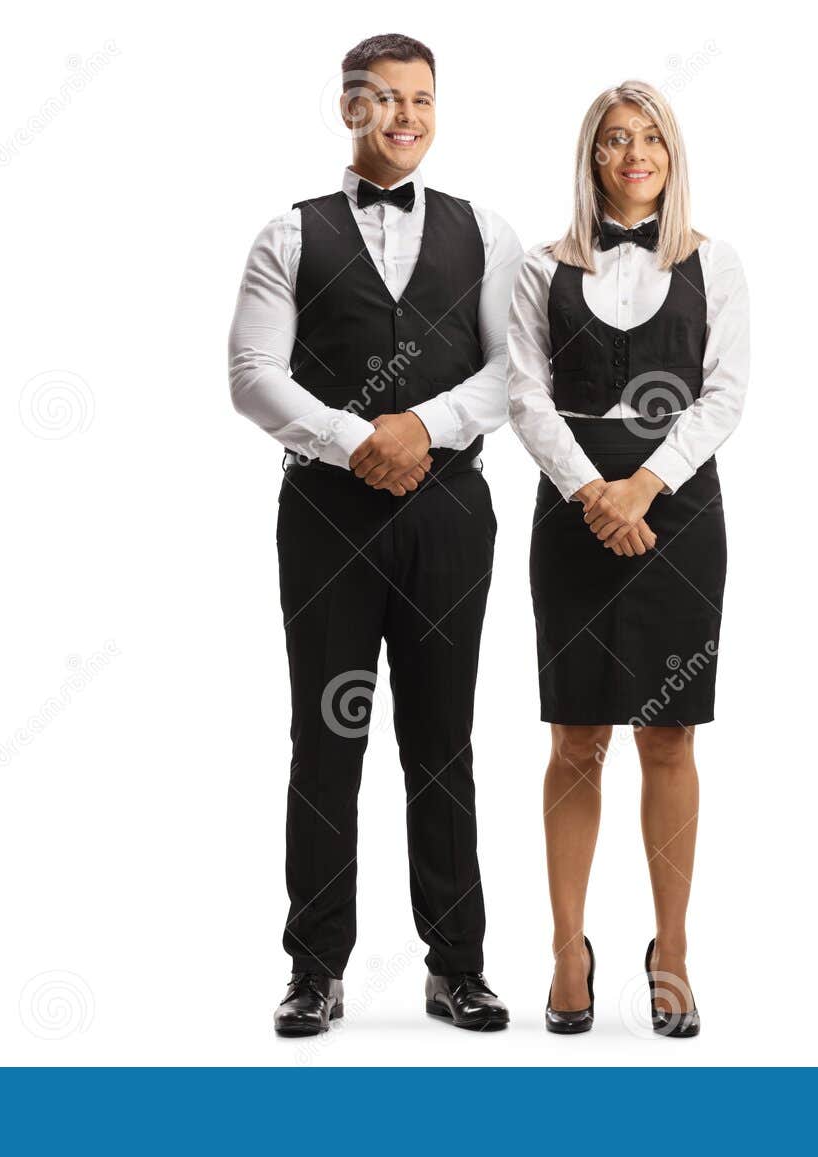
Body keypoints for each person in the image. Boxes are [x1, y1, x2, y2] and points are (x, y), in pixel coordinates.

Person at [228, 33, 522, 1035]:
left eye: (422, 99)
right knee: (327, 735)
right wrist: (360, 441)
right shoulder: (289, 234)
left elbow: (514, 370)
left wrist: (421, 428)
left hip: (450, 516)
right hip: (326, 517)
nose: (406, 115)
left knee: (442, 737)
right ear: (349, 107)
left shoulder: (486, 232)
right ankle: (314, 968)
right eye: (387, 98)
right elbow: (252, 375)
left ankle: (458, 966)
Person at [506, 79, 749, 1037]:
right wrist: (592, 492)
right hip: (574, 508)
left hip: (679, 507)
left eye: (650, 137)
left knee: (670, 734)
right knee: (576, 734)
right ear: (591, 157)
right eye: (614, 138)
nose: (634, 153)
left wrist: (644, 486)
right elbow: (525, 396)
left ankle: (672, 950)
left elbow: (725, 395)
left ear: (672, 153)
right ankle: (568, 948)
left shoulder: (715, 262)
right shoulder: (538, 267)